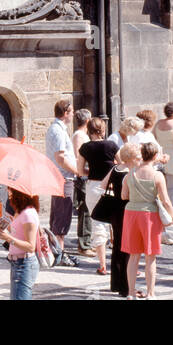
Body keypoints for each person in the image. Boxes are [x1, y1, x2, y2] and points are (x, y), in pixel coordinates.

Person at [120, 141, 173, 299]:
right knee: (150, 257)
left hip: (131, 213)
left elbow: (124, 196)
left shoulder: (129, 174)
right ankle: (150, 293)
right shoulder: (157, 175)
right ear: (155, 156)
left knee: (134, 255)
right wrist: (171, 216)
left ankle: (130, 292)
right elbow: (166, 200)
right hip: (149, 214)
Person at [79, 116, 118, 275]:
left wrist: (92, 171)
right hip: (112, 186)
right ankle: (120, 262)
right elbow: (121, 164)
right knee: (116, 224)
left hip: (94, 185)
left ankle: (103, 265)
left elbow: (80, 171)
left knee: (98, 225)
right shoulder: (111, 145)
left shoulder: (85, 147)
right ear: (103, 130)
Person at [45, 97, 80, 266]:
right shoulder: (58, 131)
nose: (73, 114)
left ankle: (57, 252)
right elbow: (60, 158)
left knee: (58, 216)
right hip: (63, 177)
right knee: (62, 217)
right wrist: (77, 171)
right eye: (72, 112)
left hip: (59, 177)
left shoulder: (57, 128)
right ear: (66, 112)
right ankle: (59, 255)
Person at [0, 189, 40, 300]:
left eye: (11, 192)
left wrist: (8, 238)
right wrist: (3, 229)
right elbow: (17, 231)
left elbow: (31, 246)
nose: (9, 195)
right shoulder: (20, 211)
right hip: (17, 263)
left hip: (24, 264)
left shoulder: (28, 214)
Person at [108, 143, 138, 298]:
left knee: (117, 247)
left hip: (115, 210)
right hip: (127, 210)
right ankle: (125, 287)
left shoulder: (116, 168)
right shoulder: (130, 172)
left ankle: (115, 284)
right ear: (132, 157)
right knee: (127, 248)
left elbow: (103, 184)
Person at [153, 103, 173, 243]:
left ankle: (159, 229)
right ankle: (163, 231)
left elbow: (153, 139)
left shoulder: (158, 124)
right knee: (169, 195)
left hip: (160, 158)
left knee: (158, 195)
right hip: (172, 161)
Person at [71, 108, 93, 256]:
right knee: (85, 210)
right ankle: (84, 245)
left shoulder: (82, 134)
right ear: (87, 121)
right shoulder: (79, 135)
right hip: (84, 176)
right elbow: (80, 157)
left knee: (87, 210)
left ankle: (86, 241)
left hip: (86, 175)